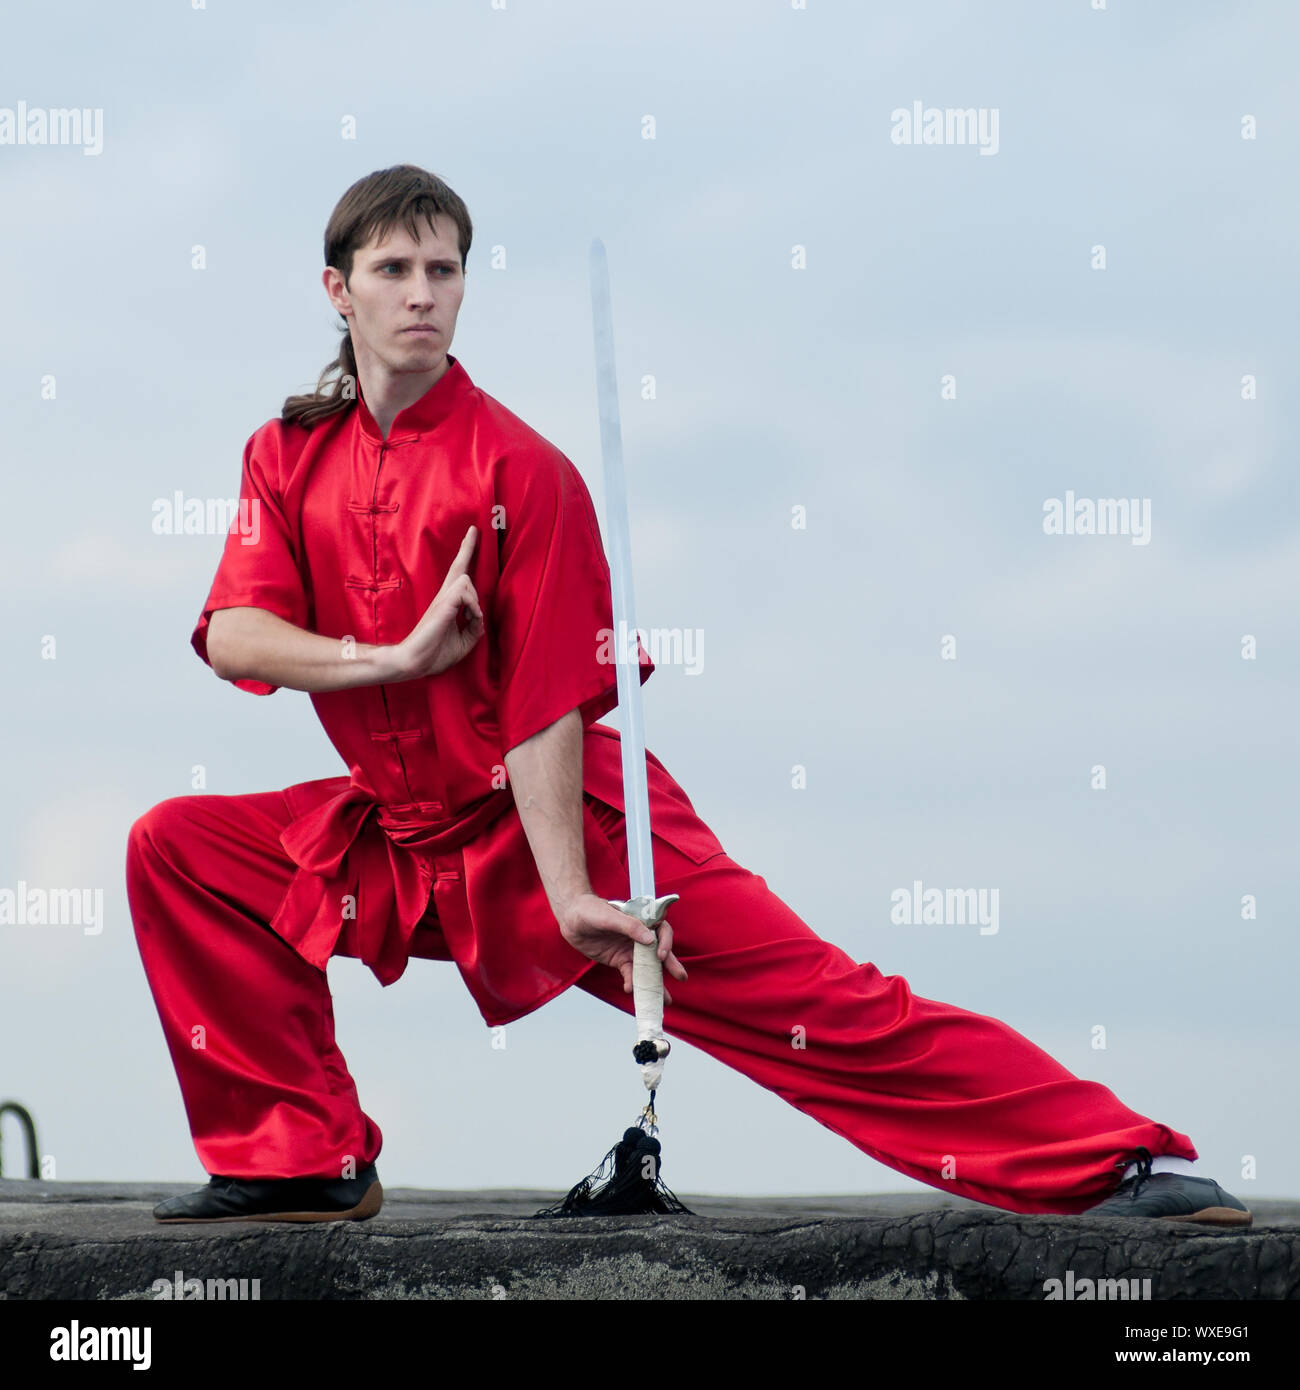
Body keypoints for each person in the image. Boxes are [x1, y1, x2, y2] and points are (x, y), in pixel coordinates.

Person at [127, 164, 1250, 1229]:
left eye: (445, 270)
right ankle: (302, 1160)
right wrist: (395, 658)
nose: (423, 294)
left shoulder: (524, 470)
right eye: (393, 270)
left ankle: (1116, 1157)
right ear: (338, 289)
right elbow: (234, 635)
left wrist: (568, 892)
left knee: (826, 1009)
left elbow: (547, 700)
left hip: (577, 828)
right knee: (180, 849)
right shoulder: (284, 453)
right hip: (397, 836)